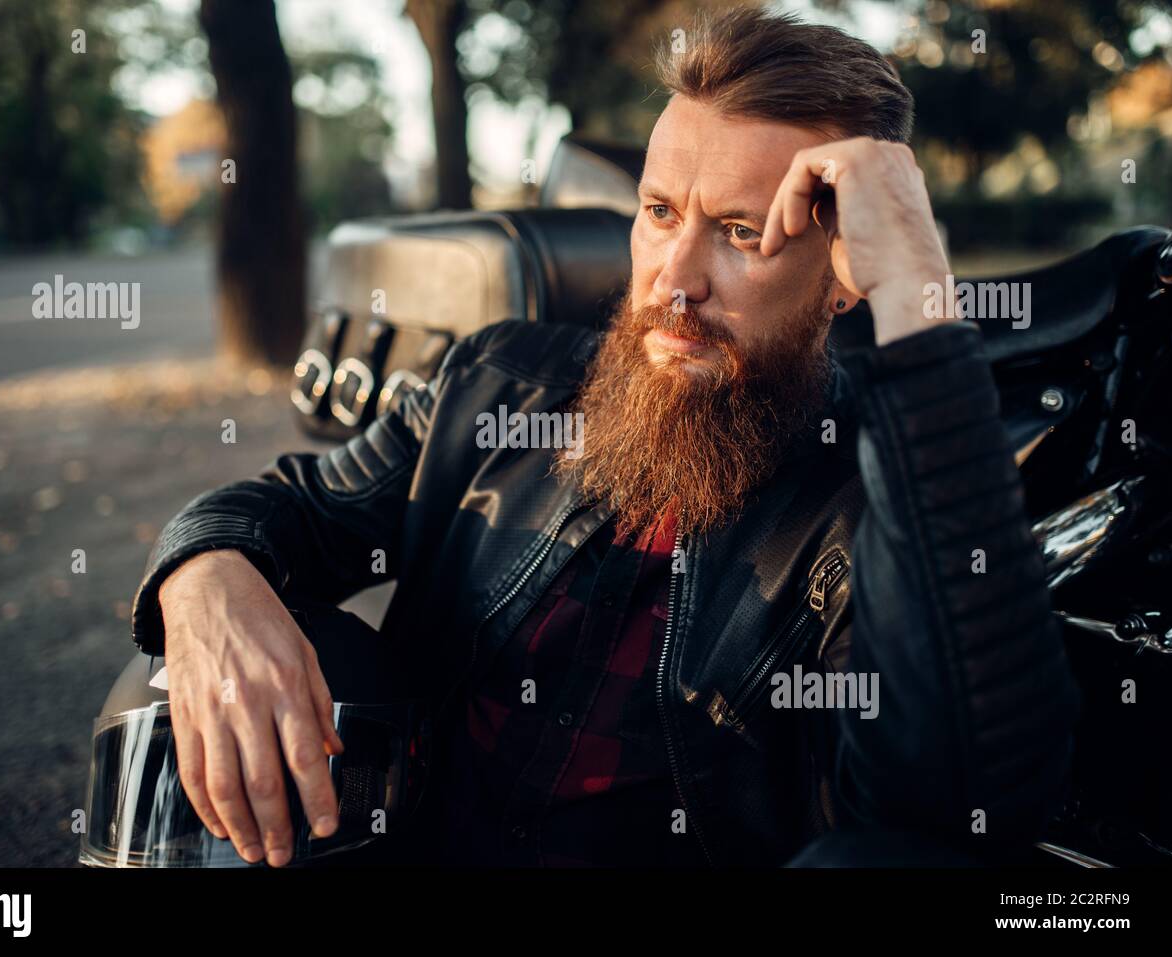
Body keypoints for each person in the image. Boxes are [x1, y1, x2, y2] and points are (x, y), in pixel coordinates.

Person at [129, 7, 1079, 868]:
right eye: (660, 213)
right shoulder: (498, 382)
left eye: (742, 234)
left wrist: (918, 293)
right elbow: (290, 508)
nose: (675, 278)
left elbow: (965, 799)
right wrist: (206, 576)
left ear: (840, 276)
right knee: (160, 699)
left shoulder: (878, 495)